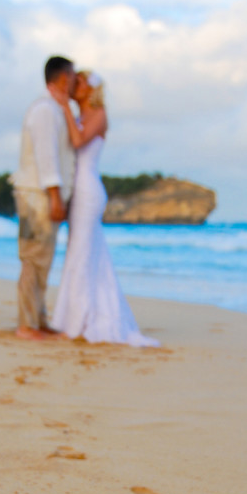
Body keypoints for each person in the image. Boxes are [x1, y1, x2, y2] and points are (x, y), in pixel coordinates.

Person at [49, 71, 158, 347]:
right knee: (83, 253)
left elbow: (78, 141)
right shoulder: (80, 115)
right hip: (76, 190)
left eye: (80, 81)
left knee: (83, 254)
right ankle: (75, 318)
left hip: (88, 190)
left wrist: (64, 107)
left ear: (91, 89)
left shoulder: (99, 115)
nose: (75, 85)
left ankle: (78, 323)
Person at [10, 56, 76, 340]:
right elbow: (46, 155)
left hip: (40, 193)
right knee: (33, 258)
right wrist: (55, 196)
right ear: (62, 79)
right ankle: (26, 325)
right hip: (36, 195)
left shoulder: (54, 110)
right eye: (72, 77)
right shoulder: (45, 110)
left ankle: (37, 319)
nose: (75, 82)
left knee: (42, 259)